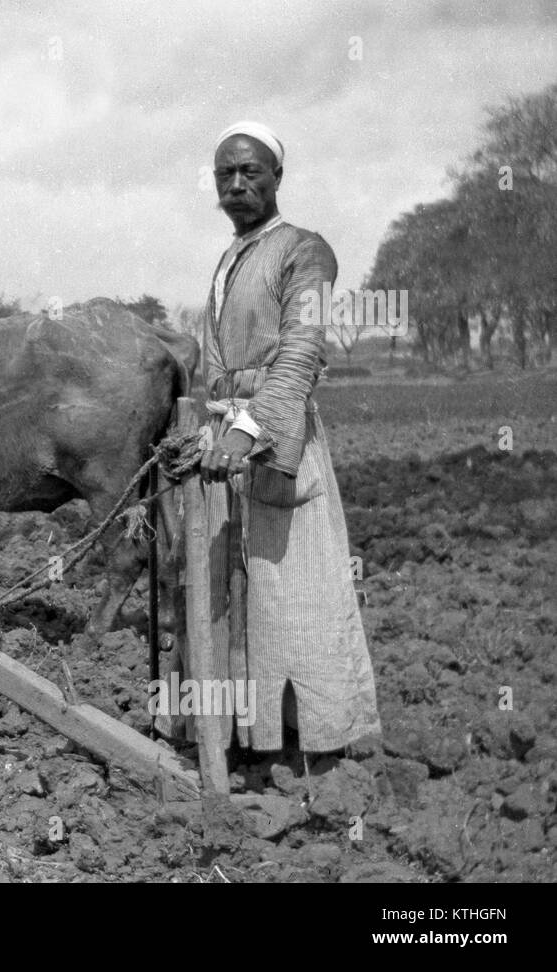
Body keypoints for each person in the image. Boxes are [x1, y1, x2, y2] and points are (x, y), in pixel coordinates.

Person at [165, 121, 381, 756]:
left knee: (290, 593)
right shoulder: (229, 257)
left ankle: (312, 745)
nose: (236, 184)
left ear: (277, 178)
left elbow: (302, 351)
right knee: (229, 592)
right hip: (223, 435)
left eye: (249, 171)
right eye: (224, 175)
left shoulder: (304, 251)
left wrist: (249, 429)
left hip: (275, 441)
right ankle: (237, 737)